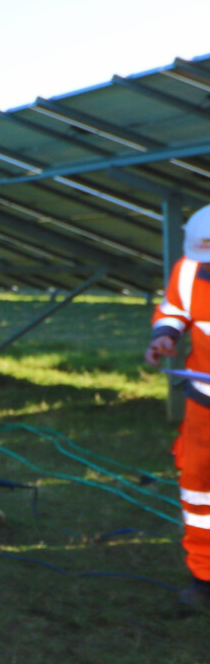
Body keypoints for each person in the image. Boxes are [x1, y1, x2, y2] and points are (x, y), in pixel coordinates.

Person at [143, 204, 210, 609]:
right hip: (204, 401)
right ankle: (205, 576)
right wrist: (165, 336)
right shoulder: (189, 268)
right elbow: (174, 307)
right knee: (200, 489)